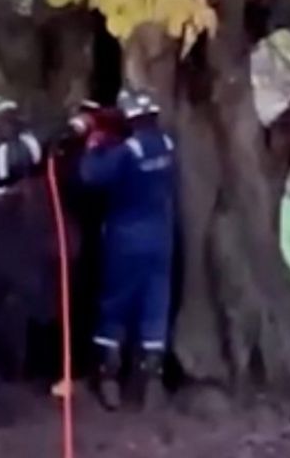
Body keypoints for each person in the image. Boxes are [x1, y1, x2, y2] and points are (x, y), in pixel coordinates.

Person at [75, 89, 176, 411]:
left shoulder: (126, 152)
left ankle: (107, 379)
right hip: (161, 239)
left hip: (125, 240)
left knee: (114, 306)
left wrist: (93, 144)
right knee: (154, 307)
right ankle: (152, 384)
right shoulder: (168, 145)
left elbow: (89, 176)